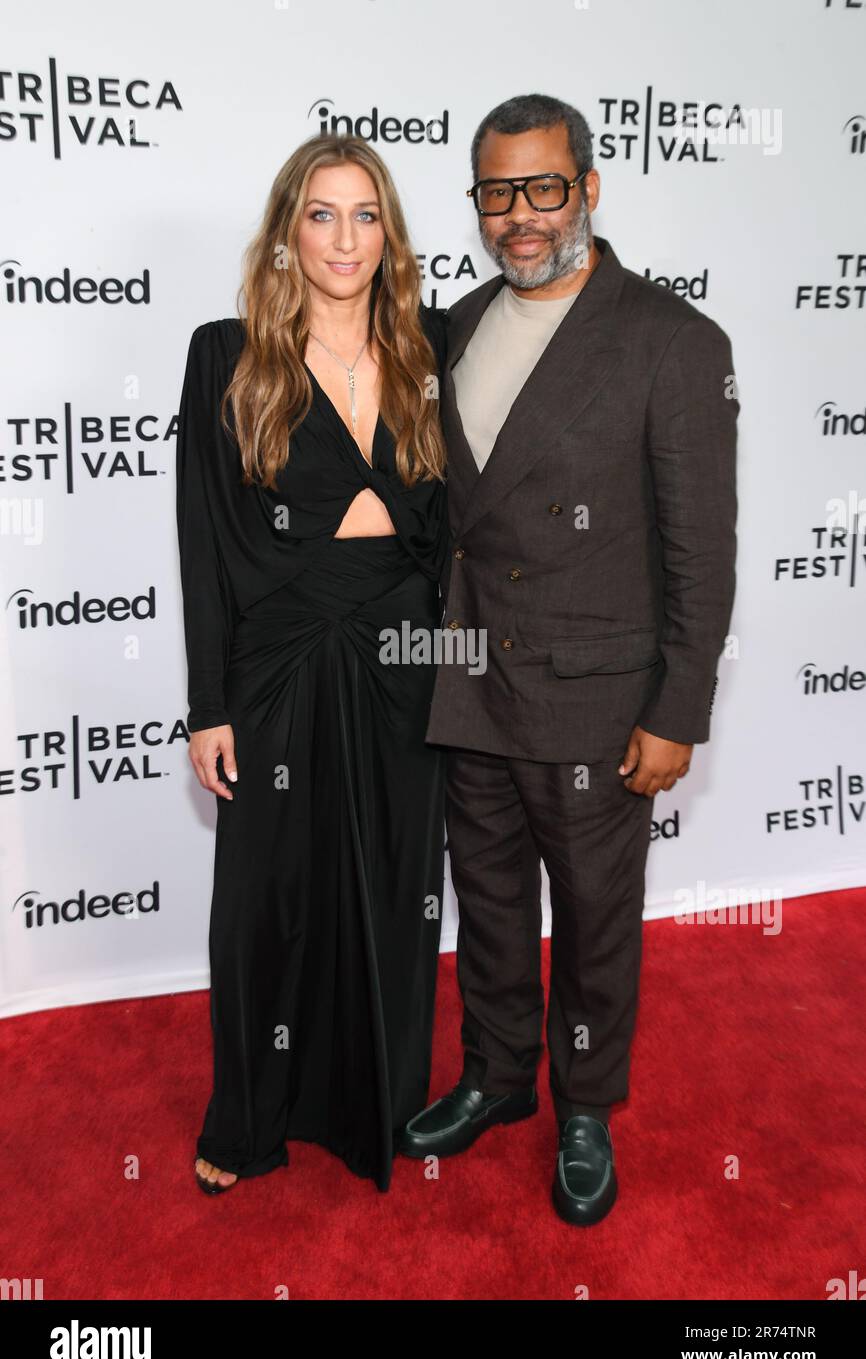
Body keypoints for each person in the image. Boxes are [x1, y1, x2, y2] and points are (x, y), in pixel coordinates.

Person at [398, 93, 739, 1226]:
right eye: (497, 193)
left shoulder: (670, 341)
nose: (520, 216)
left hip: (597, 700)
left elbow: (699, 545)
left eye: (543, 187)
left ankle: (583, 1105)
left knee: (593, 914)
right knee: (489, 902)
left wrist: (676, 707)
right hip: (472, 680)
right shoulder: (452, 324)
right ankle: (497, 1077)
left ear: (588, 187)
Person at [175, 133, 449, 1196]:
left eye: (365, 214)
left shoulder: (426, 349)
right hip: (280, 653)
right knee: (263, 898)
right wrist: (208, 703)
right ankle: (247, 1118)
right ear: (287, 232)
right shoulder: (226, 354)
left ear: (390, 233)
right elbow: (204, 542)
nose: (345, 237)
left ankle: (371, 1104)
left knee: (390, 886)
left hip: (404, 651)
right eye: (321, 214)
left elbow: (454, 522)